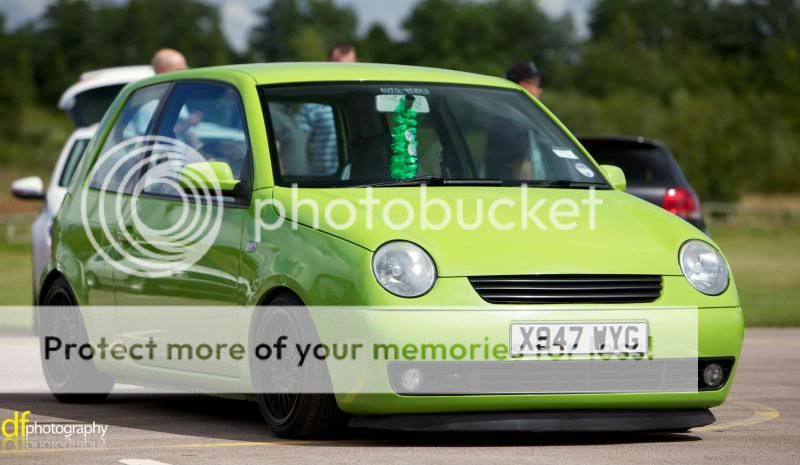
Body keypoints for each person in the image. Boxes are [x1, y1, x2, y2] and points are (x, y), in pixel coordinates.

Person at [296, 43, 358, 175]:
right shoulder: (312, 104)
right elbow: (298, 146)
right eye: (338, 66)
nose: (344, 72)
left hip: (362, 182)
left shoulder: (366, 103)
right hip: (321, 182)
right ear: (328, 65)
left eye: (350, 67)